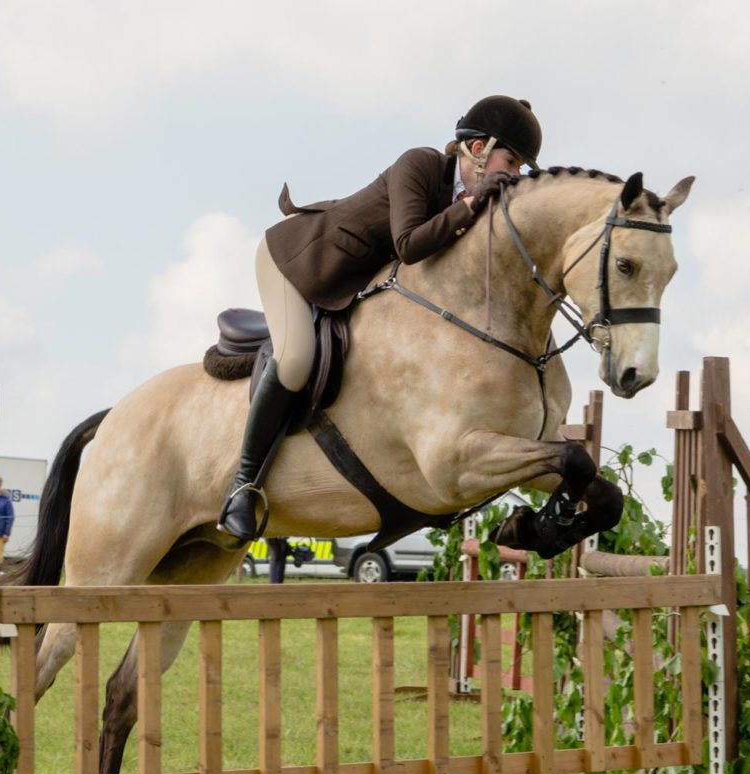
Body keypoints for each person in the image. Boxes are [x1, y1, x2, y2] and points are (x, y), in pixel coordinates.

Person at [217, 95, 544, 541]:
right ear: (478, 148)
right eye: (513, 160)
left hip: (354, 285)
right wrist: (468, 208)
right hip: (298, 263)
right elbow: (409, 244)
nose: (516, 174)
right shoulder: (422, 164)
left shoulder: (475, 198)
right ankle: (243, 487)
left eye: (523, 166)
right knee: (295, 358)